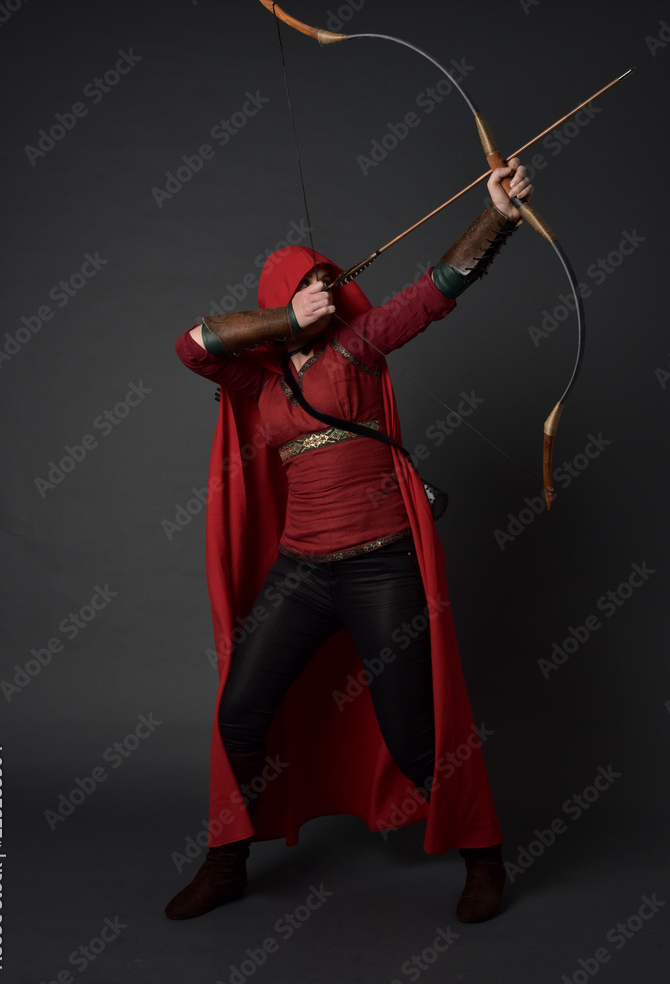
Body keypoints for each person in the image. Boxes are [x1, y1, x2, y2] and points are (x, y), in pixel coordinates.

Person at [167, 161, 533, 924]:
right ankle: (226, 863)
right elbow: (193, 345)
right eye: (309, 285)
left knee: (415, 737)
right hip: (299, 572)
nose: (325, 290)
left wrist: (493, 217)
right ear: (283, 300)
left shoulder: (359, 346)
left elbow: (436, 289)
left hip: (378, 568)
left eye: (329, 282)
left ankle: (484, 857)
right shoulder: (257, 385)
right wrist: (284, 326)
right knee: (239, 712)